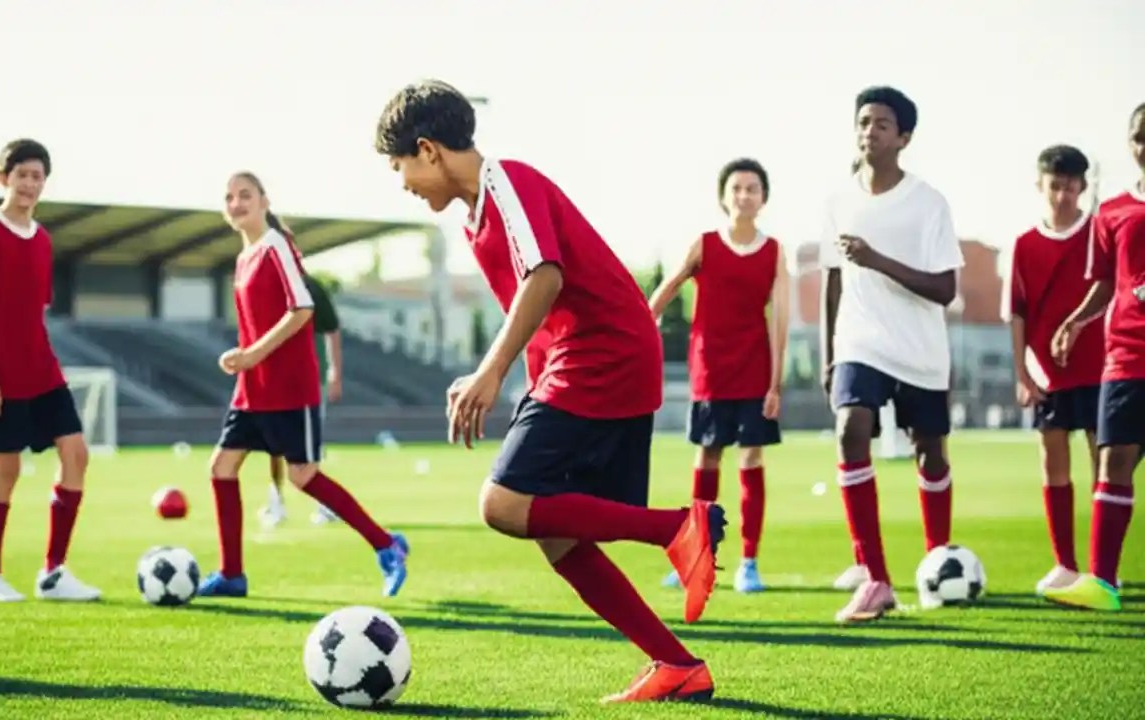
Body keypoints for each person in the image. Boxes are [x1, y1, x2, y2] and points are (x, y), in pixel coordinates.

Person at [374, 79, 725, 704]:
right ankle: (677, 665)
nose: (403, 182)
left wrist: (491, 371)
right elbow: (534, 306)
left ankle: (677, 527)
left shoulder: (505, 181)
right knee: (555, 531)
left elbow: (546, 275)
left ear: (427, 150)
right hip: (587, 359)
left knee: (501, 504)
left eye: (399, 166)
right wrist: (529, 386)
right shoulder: (475, 218)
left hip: (601, 354)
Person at [198, 172, 408, 599]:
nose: (236, 203)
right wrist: (241, 357)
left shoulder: (277, 246)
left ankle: (386, 546)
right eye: (229, 197)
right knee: (221, 468)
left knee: (303, 476)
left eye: (245, 195)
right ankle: (231, 575)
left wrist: (253, 354)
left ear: (263, 201)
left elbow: (303, 308)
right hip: (251, 390)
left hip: (289, 388)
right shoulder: (243, 258)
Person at [819, 86, 964, 623]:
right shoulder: (837, 201)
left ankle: (938, 563)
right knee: (850, 429)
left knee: (931, 454)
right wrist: (830, 352)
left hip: (920, 350)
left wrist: (876, 258)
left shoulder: (929, 203)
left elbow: (946, 289)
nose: (869, 132)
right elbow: (834, 283)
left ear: (904, 138)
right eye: (863, 122)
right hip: (860, 341)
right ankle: (875, 578)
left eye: (882, 124)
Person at [0, 138, 100, 603]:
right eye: (22, 175)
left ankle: (54, 572)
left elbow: (32, 311)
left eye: (37, 177)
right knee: (7, 469)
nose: (30, 184)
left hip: (42, 371)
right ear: (3, 179)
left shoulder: (44, 239)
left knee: (76, 454)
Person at [648, 157, 790, 593]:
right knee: (707, 457)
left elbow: (780, 318)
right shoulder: (705, 244)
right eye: (736, 188)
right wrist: (642, 322)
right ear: (723, 197)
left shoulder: (774, 252)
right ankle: (696, 557)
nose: (744, 195)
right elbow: (668, 287)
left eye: (752, 188)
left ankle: (749, 561)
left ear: (763, 198)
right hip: (710, 370)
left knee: (751, 458)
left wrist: (775, 383)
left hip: (755, 371)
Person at [1046, 101, 1145, 611]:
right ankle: (1103, 584)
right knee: (1113, 460)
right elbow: (1108, 283)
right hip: (1126, 356)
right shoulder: (1113, 213)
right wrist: (1075, 320)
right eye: (1140, 137)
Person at [1004, 144, 1104, 594]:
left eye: (1070, 186)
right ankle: (1064, 562)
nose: (1062, 195)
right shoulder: (1024, 244)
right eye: (1054, 186)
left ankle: (1105, 565)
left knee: (1106, 465)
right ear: (1039, 185)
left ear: (1082, 186)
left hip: (1102, 368)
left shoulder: (1100, 233)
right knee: (1053, 462)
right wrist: (1022, 373)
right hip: (1048, 373)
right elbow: (1017, 312)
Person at [258, 211, 345, 529]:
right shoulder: (261, 285)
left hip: (305, 379)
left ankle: (325, 504)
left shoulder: (310, 287)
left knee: (309, 446)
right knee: (272, 445)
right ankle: (276, 501)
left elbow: (332, 329)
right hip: (269, 379)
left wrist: (335, 371)